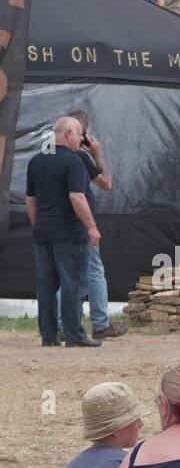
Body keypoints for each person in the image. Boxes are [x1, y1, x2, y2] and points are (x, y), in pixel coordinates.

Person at [27, 116, 100, 348]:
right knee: (73, 284)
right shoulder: (74, 161)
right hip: (70, 234)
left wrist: (40, 226)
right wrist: (91, 227)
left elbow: (31, 201)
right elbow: (77, 197)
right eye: (79, 134)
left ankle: (48, 336)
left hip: (43, 234)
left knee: (47, 286)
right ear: (68, 134)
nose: (81, 140)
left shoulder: (36, 161)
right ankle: (75, 336)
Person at [65, 109, 125, 340]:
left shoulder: (49, 154)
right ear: (83, 134)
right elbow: (106, 183)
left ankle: (63, 323)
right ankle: (100, 323)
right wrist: (97, 154)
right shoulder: (80, 157)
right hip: (79, 222)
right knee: (94, 271)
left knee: (65, 272)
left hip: (58, 222)